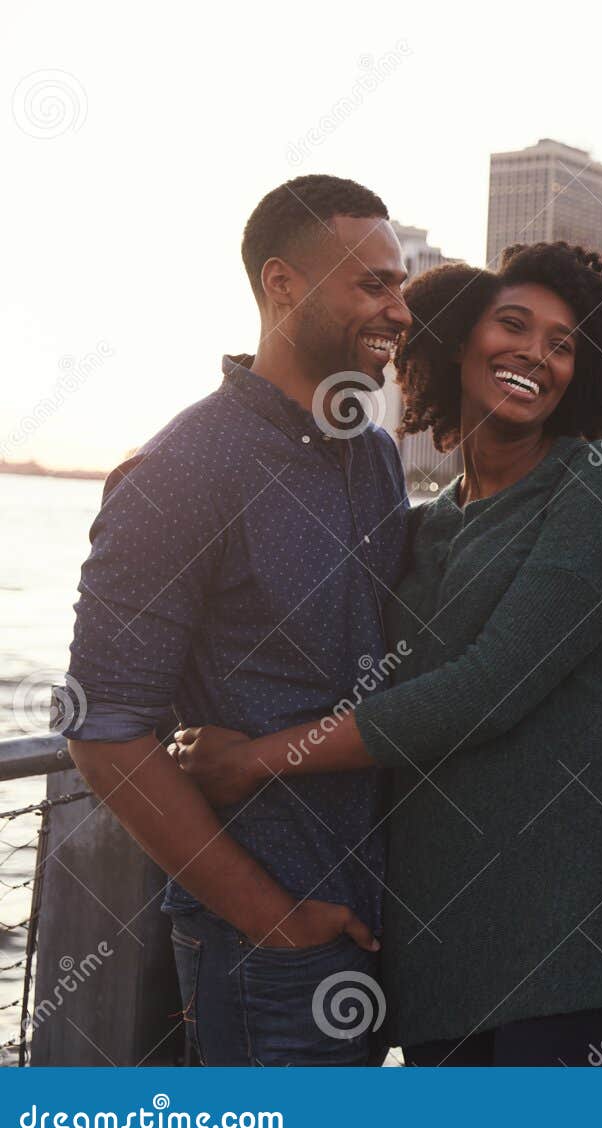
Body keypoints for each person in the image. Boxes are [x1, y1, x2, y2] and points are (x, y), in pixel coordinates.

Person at [173, 241, 602, 1067]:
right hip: (439, 935)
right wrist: (167, 477)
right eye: (514, 326)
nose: (536, 353)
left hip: (581, 926)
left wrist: (256, 762)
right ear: (457, 341)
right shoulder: (420, 526)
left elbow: (489, 686)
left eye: (563, 344)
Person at [61, 175, 412, 1065]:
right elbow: (104, 735)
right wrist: (274, 917)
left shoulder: (372, 457)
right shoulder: (181, 468)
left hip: (376, 929)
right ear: (282, 284)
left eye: (400, 285)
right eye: (373, 283)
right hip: (265, 951)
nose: (401, 310)